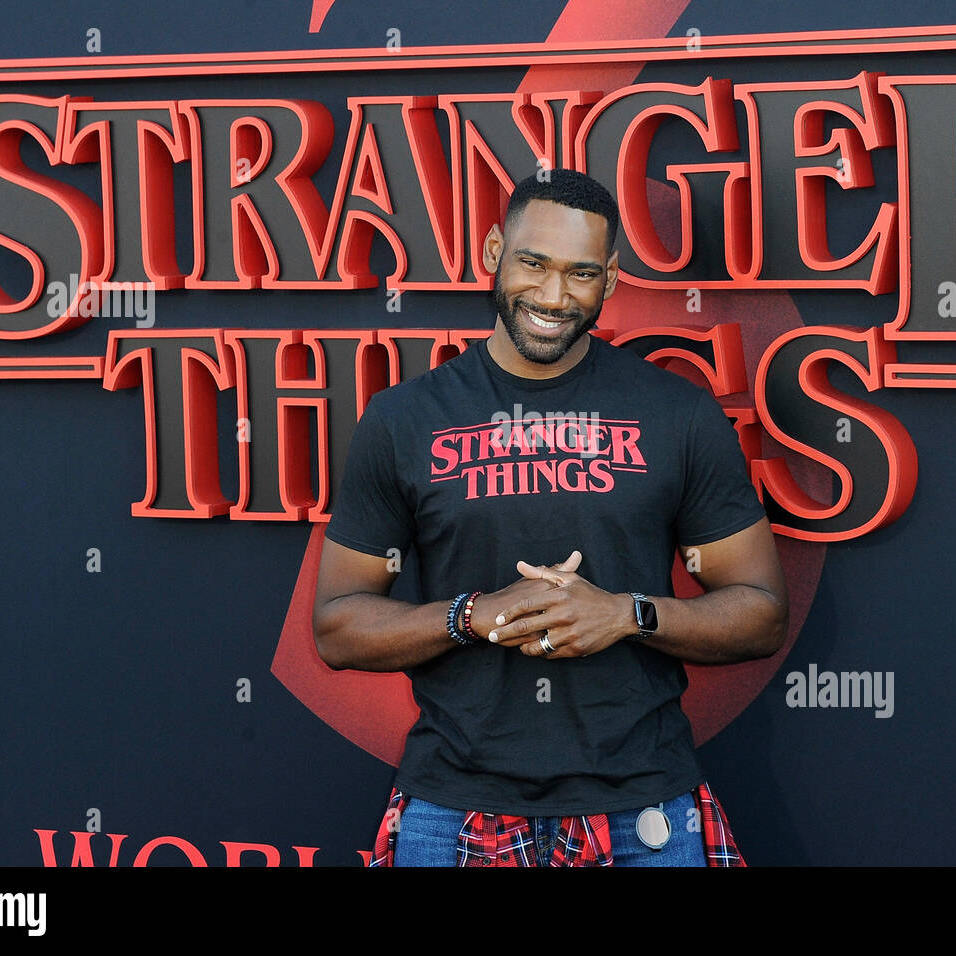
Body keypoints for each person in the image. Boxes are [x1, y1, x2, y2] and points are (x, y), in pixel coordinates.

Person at [313, 169, 789, 866]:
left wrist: (627, 615)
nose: (553, 295)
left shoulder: (676, 414)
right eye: (533, 263)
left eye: (581, 273)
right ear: (492, 252)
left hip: (643, 808)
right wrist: (474, 615)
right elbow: (337, 627)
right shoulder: (404, 419)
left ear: (612, 280)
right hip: (454, 807)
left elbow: (762, 613)